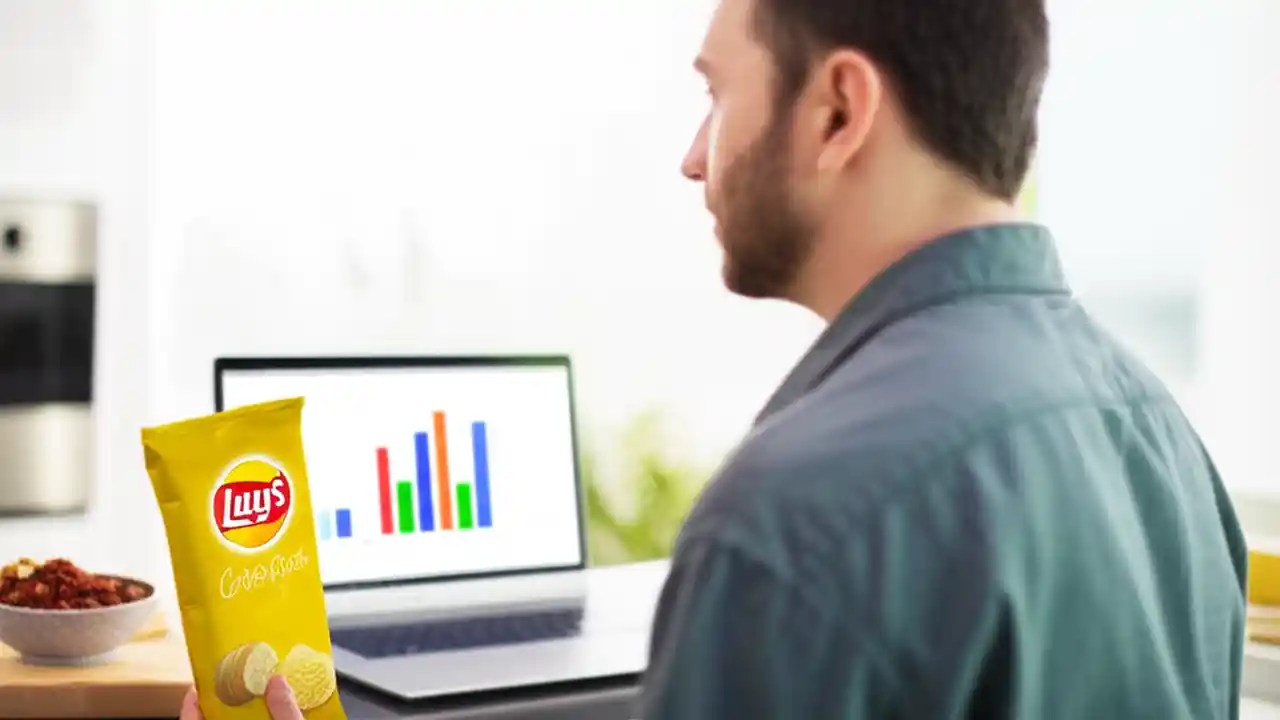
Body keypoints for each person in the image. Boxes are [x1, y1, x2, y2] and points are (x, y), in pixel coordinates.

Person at [638, 0, 1248, 718]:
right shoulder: (1159, 436)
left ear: (838, 111)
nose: (693, 156)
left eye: (717, 94)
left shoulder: (793, 520)